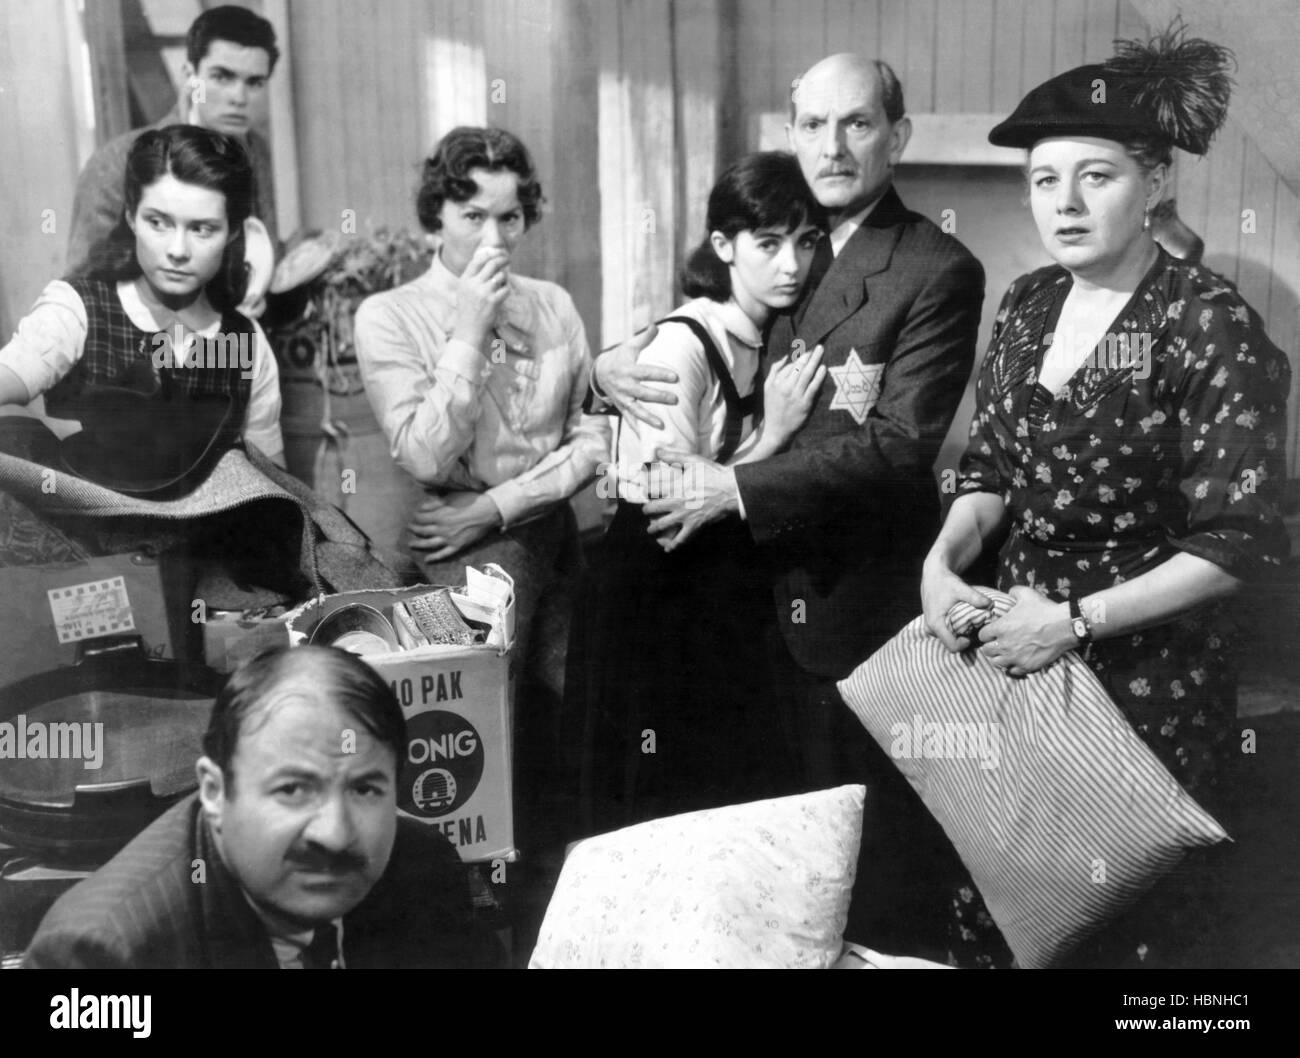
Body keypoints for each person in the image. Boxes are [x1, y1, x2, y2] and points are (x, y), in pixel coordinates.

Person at [594, 53, 985, 952]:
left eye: (857, 124)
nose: (834, 146)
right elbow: (701, 332)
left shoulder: (932, 266)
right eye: (813, 125)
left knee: (863, 863)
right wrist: (601, 367)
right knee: (754, 864)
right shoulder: (791, 238)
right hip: (735, 607)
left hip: (846, 605)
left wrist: (733, 484)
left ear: (898, 135)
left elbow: (898, 447)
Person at [921, 23, 1290, 967]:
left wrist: (1074, 624)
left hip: (1147, 680)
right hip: (1014, 658)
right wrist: (941, 566)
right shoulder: (1029, 302)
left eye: (1098, 176)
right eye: (1046, 180)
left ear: (1155, 181)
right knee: (1001, 912)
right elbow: (990, 471)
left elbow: (1237, 546)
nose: (1066, 203)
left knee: (1130, 944)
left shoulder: (1208, 324)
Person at [569, 151, 827, 834]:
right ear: (724, 247)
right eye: (768, 244)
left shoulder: (774, 334)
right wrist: (770, 438)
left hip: (715, 570)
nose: (791, 265)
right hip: (652, 578)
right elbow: (665, 491)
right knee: (661, 782)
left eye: (805, 242)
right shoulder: (680, 345)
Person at [25, 646, 498, 969]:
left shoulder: (423, 866)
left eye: (365, 789)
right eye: (293, 789)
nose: (335, 834)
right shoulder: (103, 953)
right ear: (214, 791)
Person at [0, 123, 284, 475]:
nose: (177, 251)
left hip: (208, 529)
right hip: (80, 524)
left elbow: (273, 485)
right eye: (158, 222)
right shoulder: (76, 310)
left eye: (201, 229)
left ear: (232, 233)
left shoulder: (247, 343)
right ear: (131, 217)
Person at [66, 5, 280, 286]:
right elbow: (83, 284)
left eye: (255, 82)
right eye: (222, 77)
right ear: (190, 76)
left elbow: (257, 248)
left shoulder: (255, 151)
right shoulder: (119, 161)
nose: (239, 97)